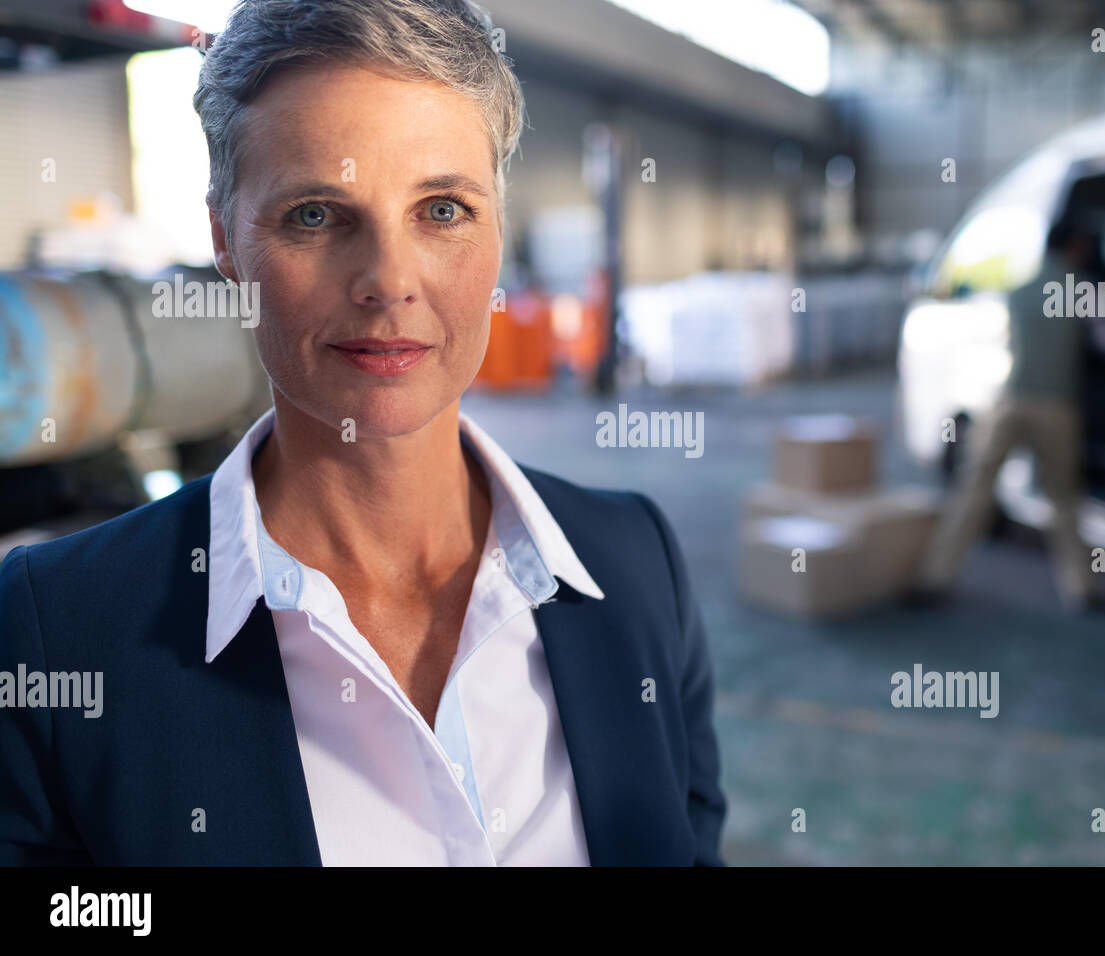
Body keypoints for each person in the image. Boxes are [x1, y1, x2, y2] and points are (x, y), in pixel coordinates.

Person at [0, 0, 725, 866]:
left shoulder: (636, 560)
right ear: (224, 239)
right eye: (315, 214)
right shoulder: (59, 628)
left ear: (497, 227)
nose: (388, 281)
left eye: (443, 210)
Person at [914, 220, 1101, 611]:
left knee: (975, 487)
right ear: (1077, 246)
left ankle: (935, 577)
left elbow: (1008, 341)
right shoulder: (1082, 288)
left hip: (1012, 401)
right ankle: (1081, 589)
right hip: (1057, 406)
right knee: (1064, 498)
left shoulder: (1019, 291)